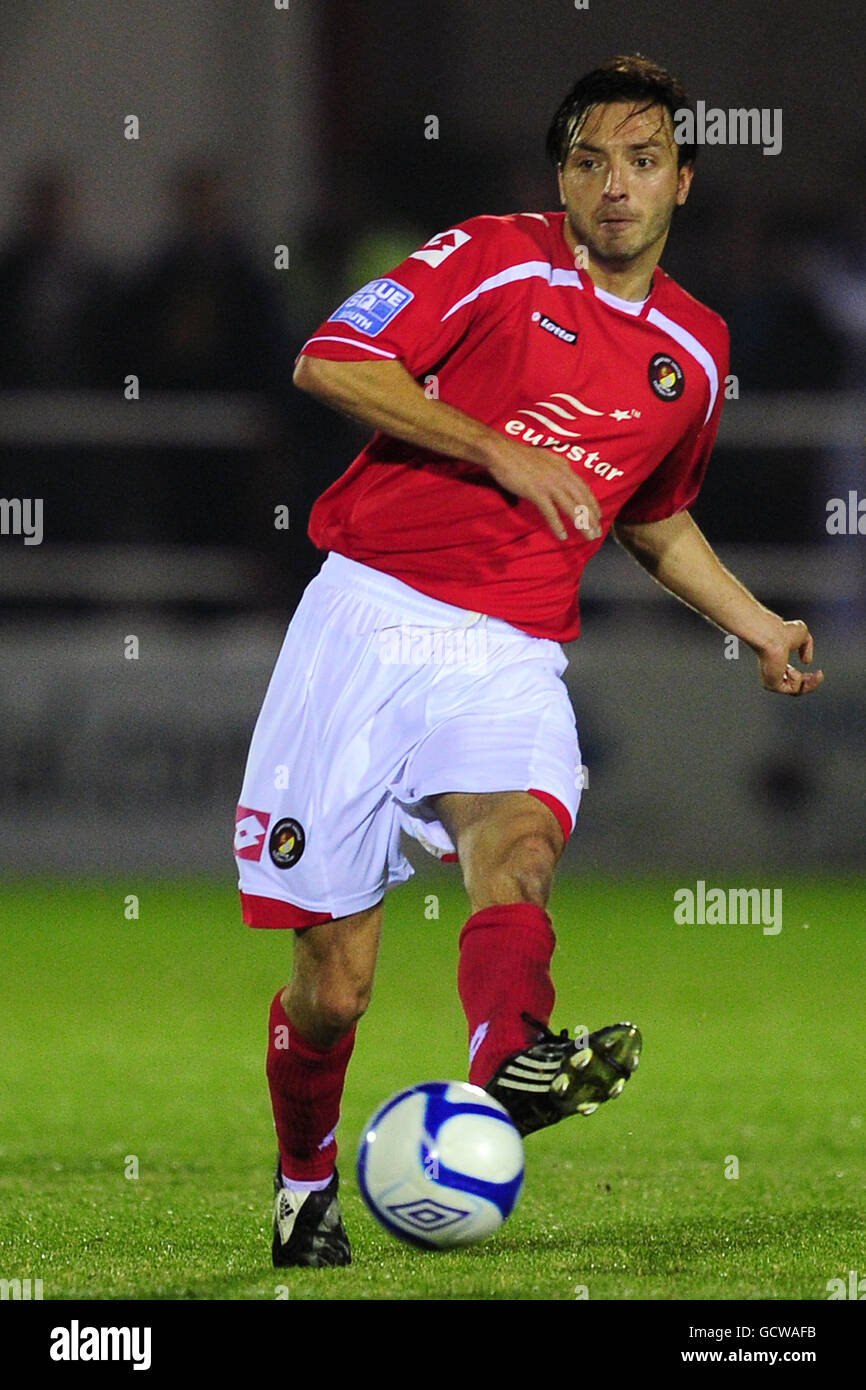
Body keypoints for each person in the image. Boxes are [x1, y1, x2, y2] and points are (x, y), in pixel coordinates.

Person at [234, 54, 824, 1268]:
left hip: (509, 648)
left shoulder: (695, 353)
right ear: (559, 176)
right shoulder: (489, 257)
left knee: (518, 846)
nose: (615, 185)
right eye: (590, 159)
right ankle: (303, 1187)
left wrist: (756, 622)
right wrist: (497, 449)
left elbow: (649, 516)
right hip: (365, 621)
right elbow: (329, 360)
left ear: (682, 183)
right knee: (332, 990)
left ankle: (510, 1054)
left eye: (642, 161)